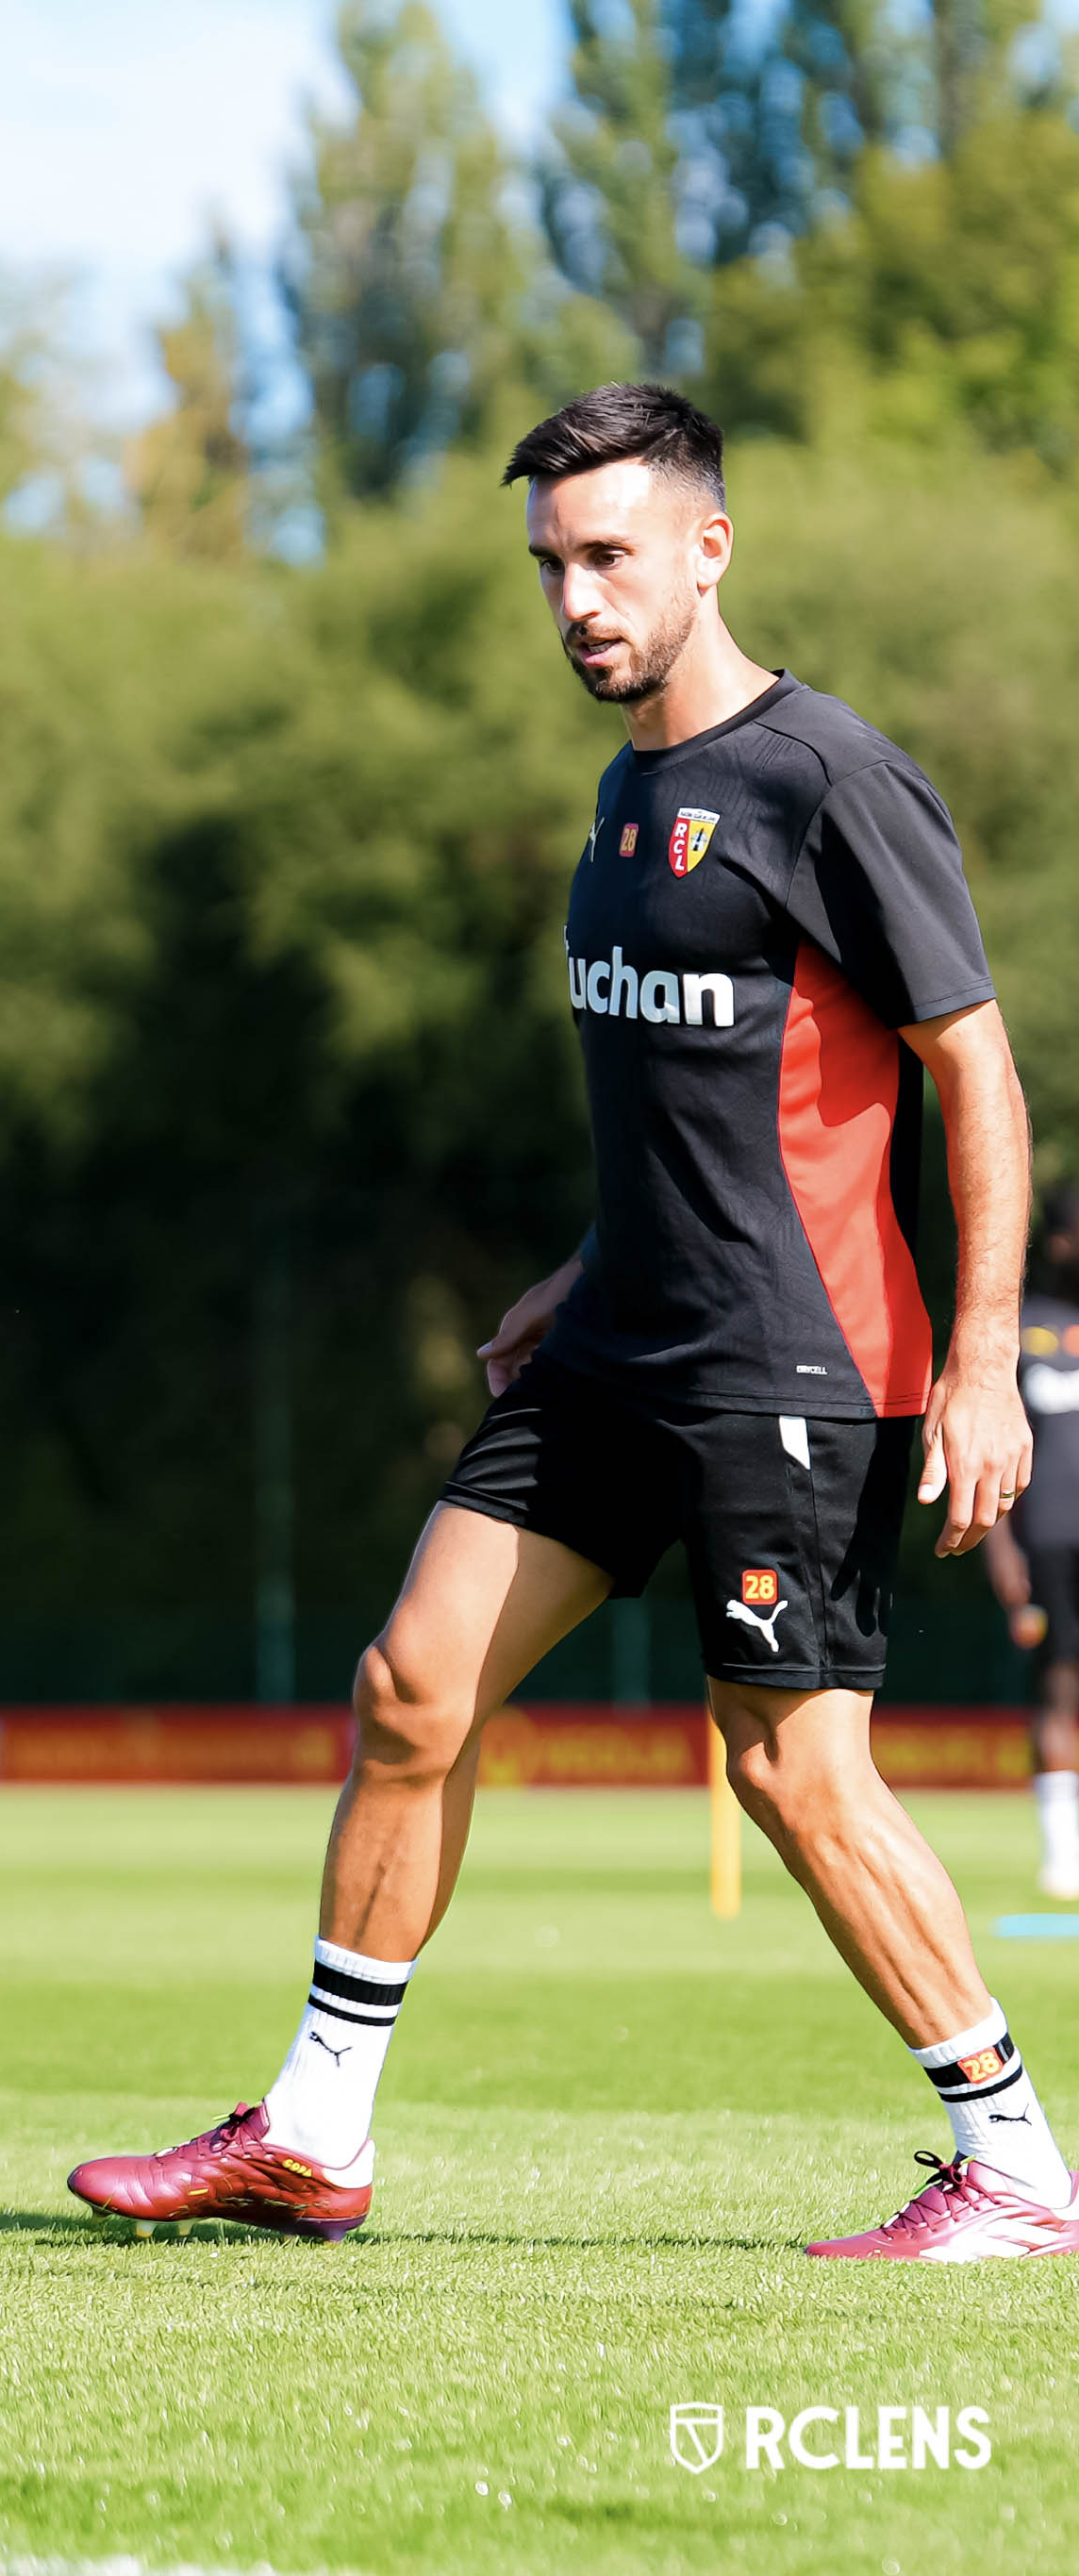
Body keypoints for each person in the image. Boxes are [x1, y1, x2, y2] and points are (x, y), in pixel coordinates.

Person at [70, 383, 1074, 2264]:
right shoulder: (630, 799)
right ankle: (315, 2131)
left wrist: (981, 1354)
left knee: (789, 1764)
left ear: (708, 550)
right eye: (550, 564)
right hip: (616, 1341)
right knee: (407, 1688)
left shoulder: (828, 780)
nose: (575, 600)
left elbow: (975, 1073)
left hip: (798, 1361)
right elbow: (698, 1101)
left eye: (609, 556)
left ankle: (1016, 2163)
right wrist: (579, 1263)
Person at [983, 1188, 1079, 1900]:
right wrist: (1001, 1551)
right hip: (1047, 1544)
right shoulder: (1022, 1329)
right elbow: (986, 1447)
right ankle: (1061, 1854)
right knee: (1059, 1688)